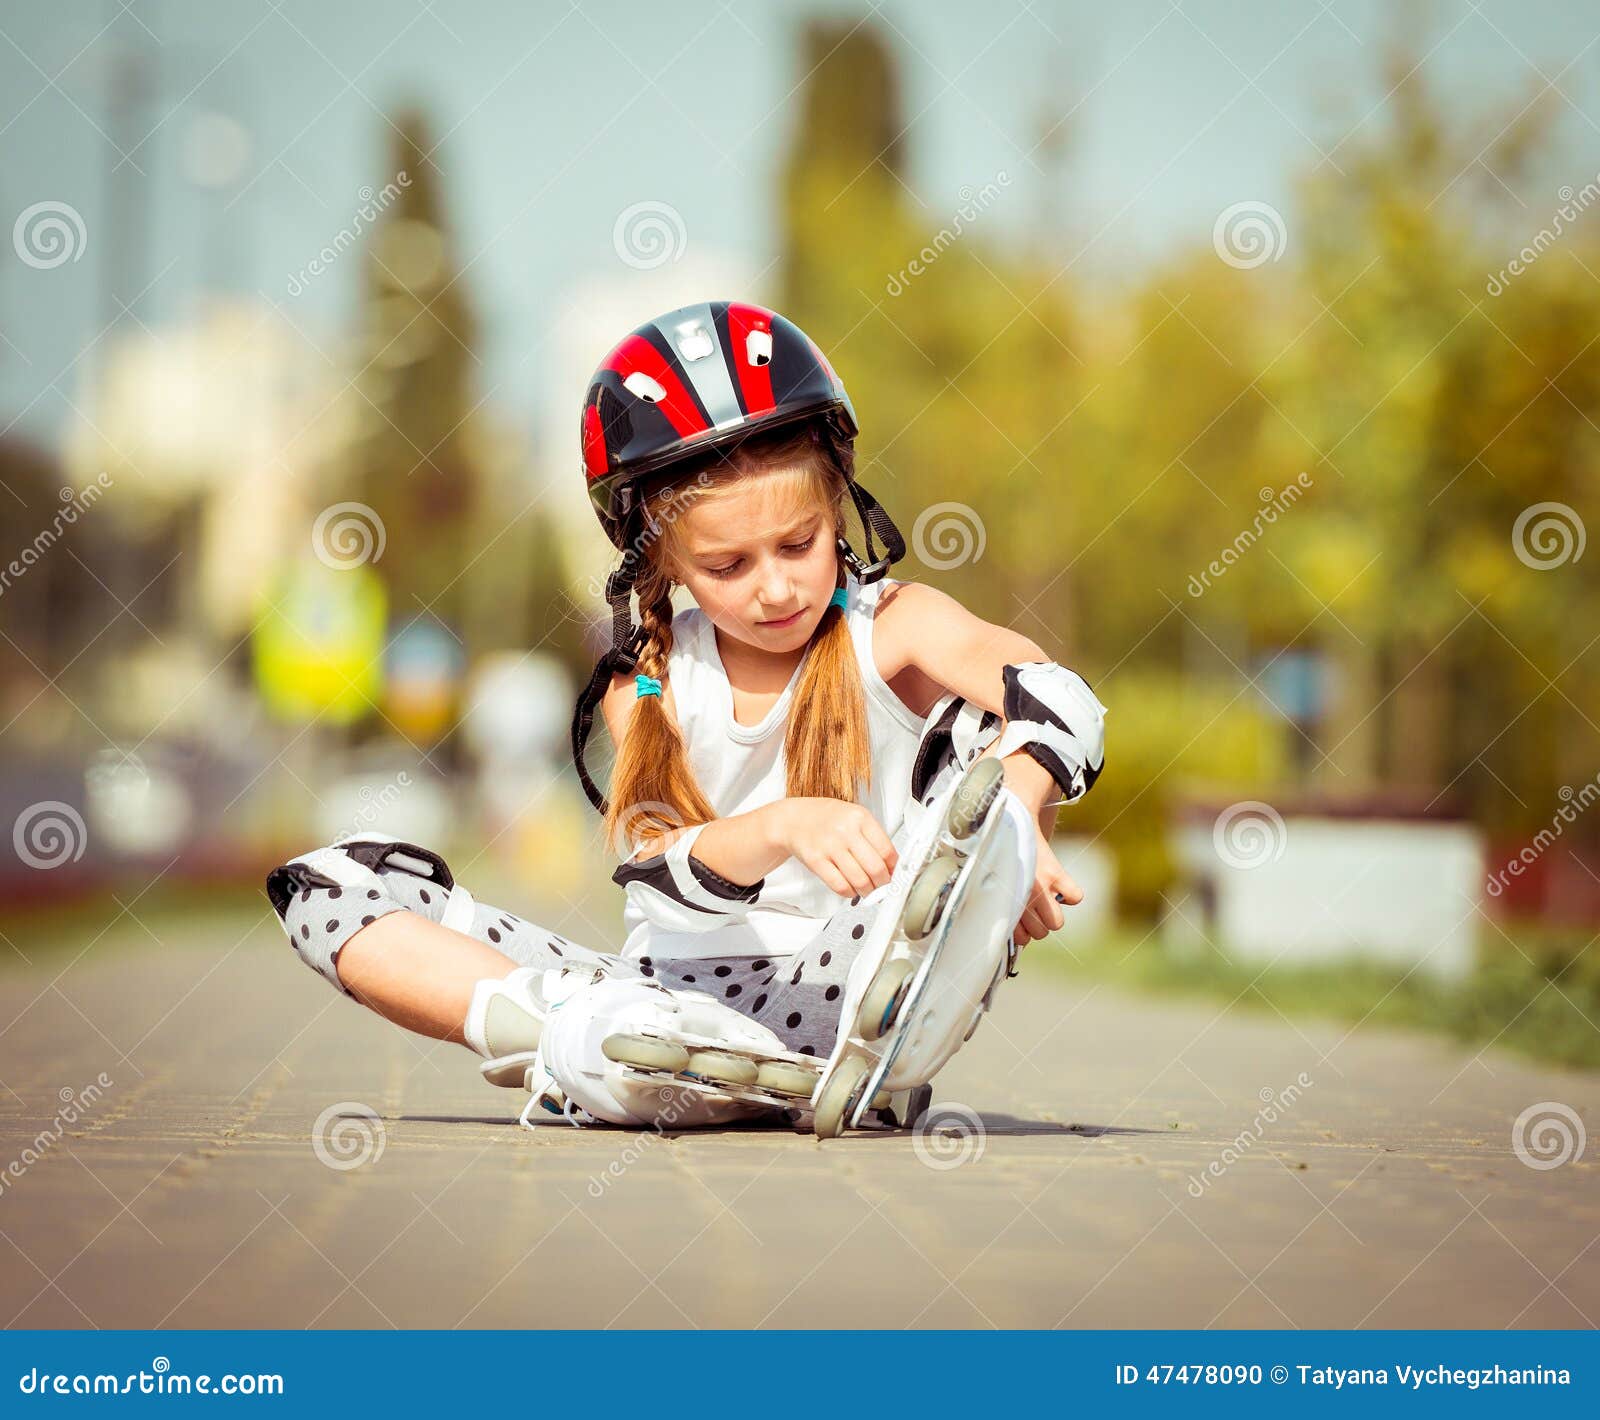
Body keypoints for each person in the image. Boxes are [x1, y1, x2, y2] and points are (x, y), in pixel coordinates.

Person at [265, 301, 1106, 1135]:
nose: (775, 588)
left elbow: (1060, 697)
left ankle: (754, 1052)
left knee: (987, 739)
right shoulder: (649, 685)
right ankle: (623, 1050)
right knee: (330, 886)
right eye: (727, 564)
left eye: (799, 544)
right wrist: (781, 826)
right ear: (658, 560)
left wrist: (1016, 825)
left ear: (840, 509)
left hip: (855, 965)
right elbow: (657, 869)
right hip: (662, 995)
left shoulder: (893, 627)